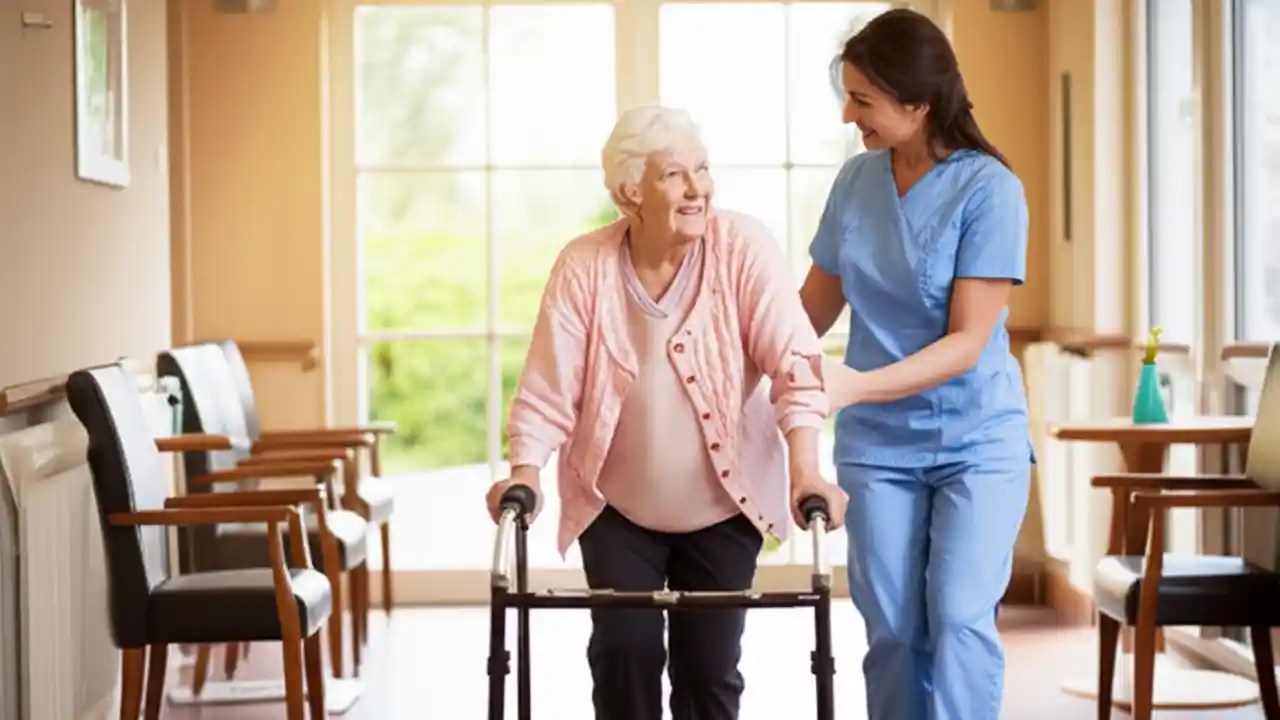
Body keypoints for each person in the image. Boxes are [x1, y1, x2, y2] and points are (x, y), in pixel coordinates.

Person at [485, 105, 848, 720]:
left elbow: (796, 367)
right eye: (675, 174)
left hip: (723, 507)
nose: (697, 188)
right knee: (623, 654)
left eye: (702, 170)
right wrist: (525, 470)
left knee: (708, 671)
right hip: (617, 509)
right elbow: (548, 387)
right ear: (631, 193)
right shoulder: (584, 266)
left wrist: (806, 472)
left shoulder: (743, 248)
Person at [801, 9, 1034, 720]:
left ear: (918, 101)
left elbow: (968, 342)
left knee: (960, 614)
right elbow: (809, 312)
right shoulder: (855, 184)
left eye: (862, 100)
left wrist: (855, 385)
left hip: (976, 437)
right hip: (879, 448)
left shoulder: (991, 190)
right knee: (894, 629)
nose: (849, 115)